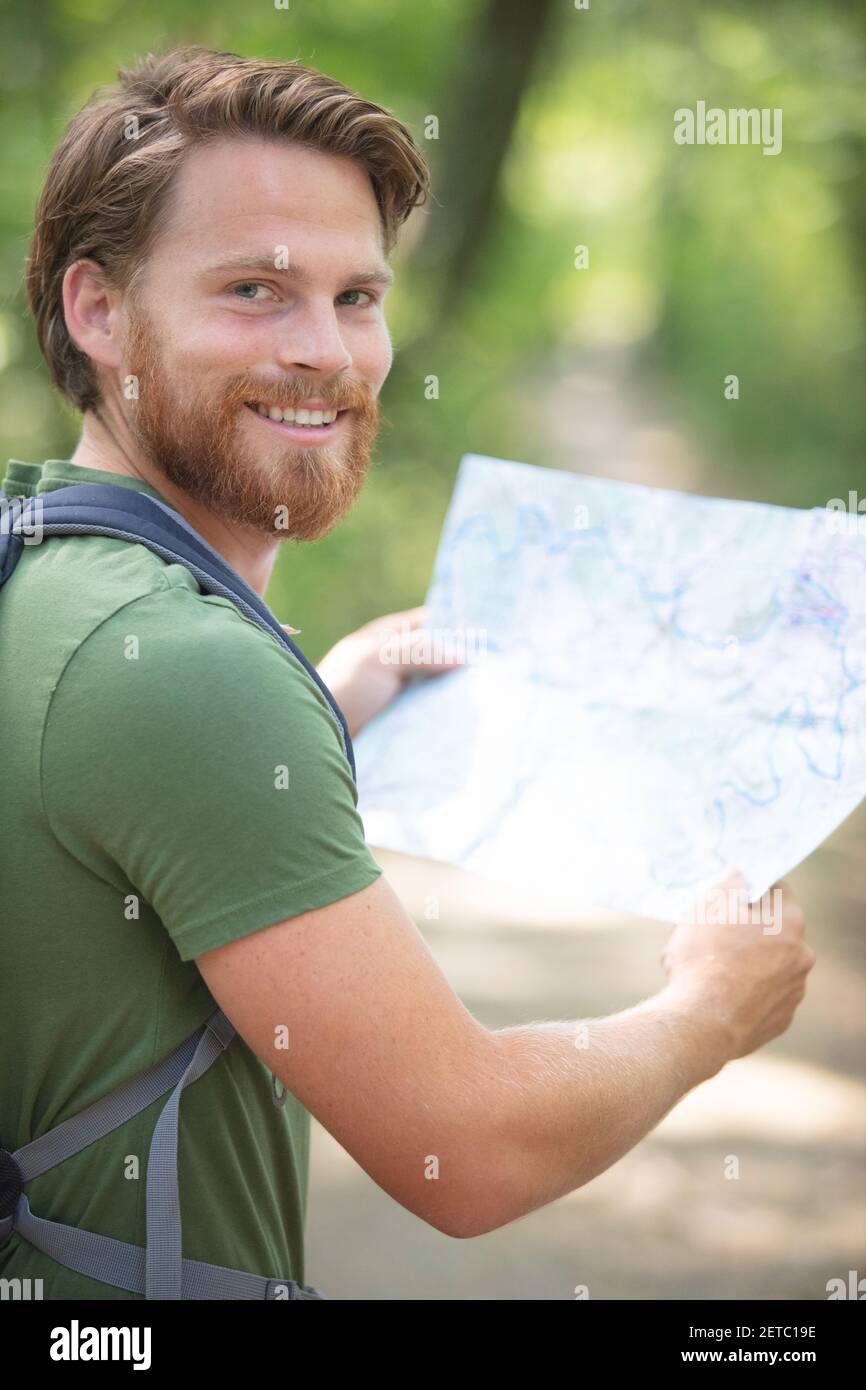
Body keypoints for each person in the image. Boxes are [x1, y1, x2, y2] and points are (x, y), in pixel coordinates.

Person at [0, 46, 815, 1300]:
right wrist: (708, 1008)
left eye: (356, 297)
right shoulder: (182, 675)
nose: (325, 351)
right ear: (98, 310)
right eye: (254, 290)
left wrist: (316, 696)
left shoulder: (41, 568)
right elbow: (462, 1148)